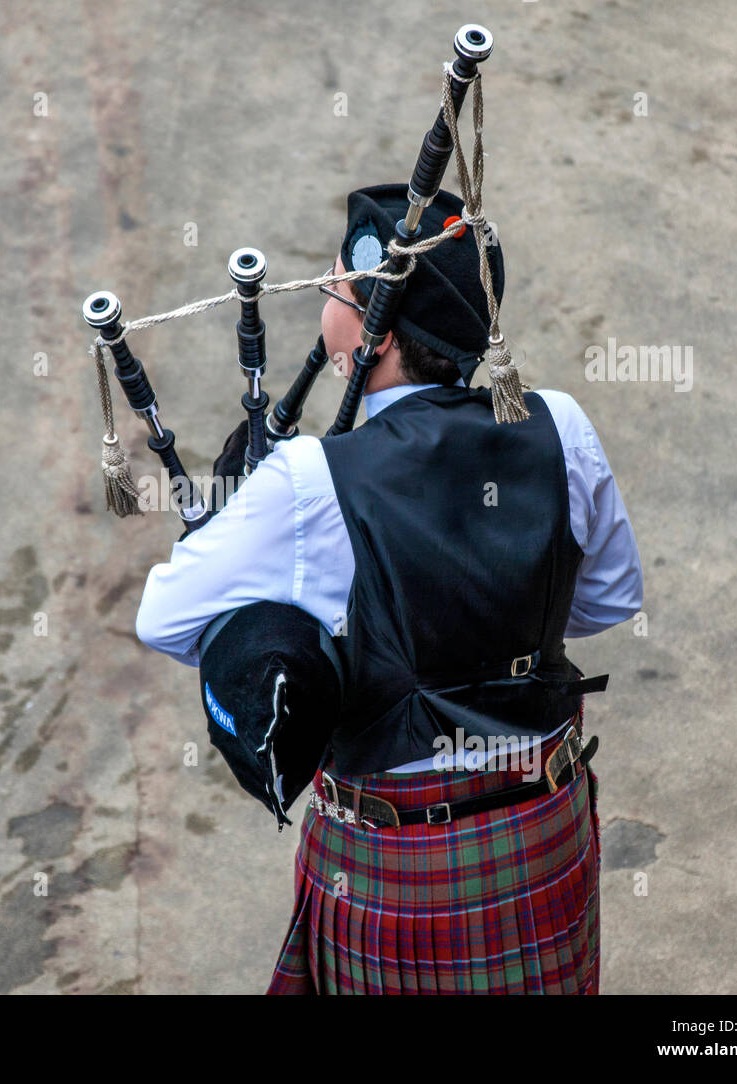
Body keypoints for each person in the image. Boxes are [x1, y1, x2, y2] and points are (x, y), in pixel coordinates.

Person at [134, 183, 644, 994]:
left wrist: (305, 619)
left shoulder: (308, 482)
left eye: (335, 285)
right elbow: (609, 601)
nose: (325, 295)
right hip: (543, 832)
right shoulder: (561, 425)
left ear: (376, 338)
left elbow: (164, 619)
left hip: (396, 867)